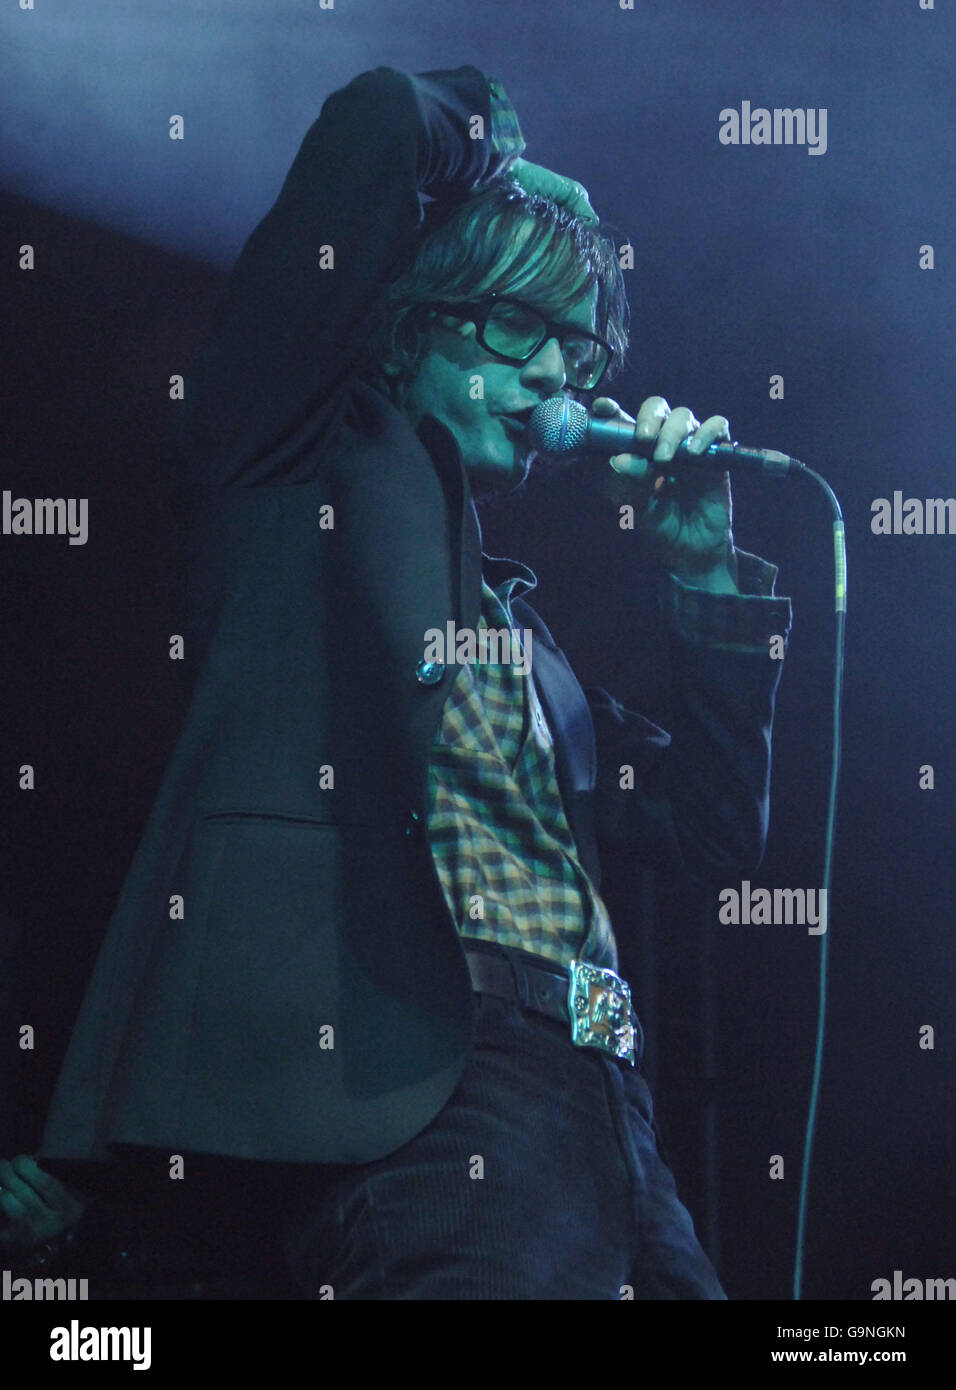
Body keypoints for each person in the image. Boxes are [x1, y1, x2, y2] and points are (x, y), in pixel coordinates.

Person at [26, 64, 791, 1299]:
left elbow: (712, 828)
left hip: (604, 1098)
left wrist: (700, 572)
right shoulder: (291, 454)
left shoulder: (524, 638)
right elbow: (382, 122)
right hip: (430, 1072)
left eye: (573, 345)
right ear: (413, 321)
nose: (555, 374)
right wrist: (509, 164)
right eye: (518, 326)